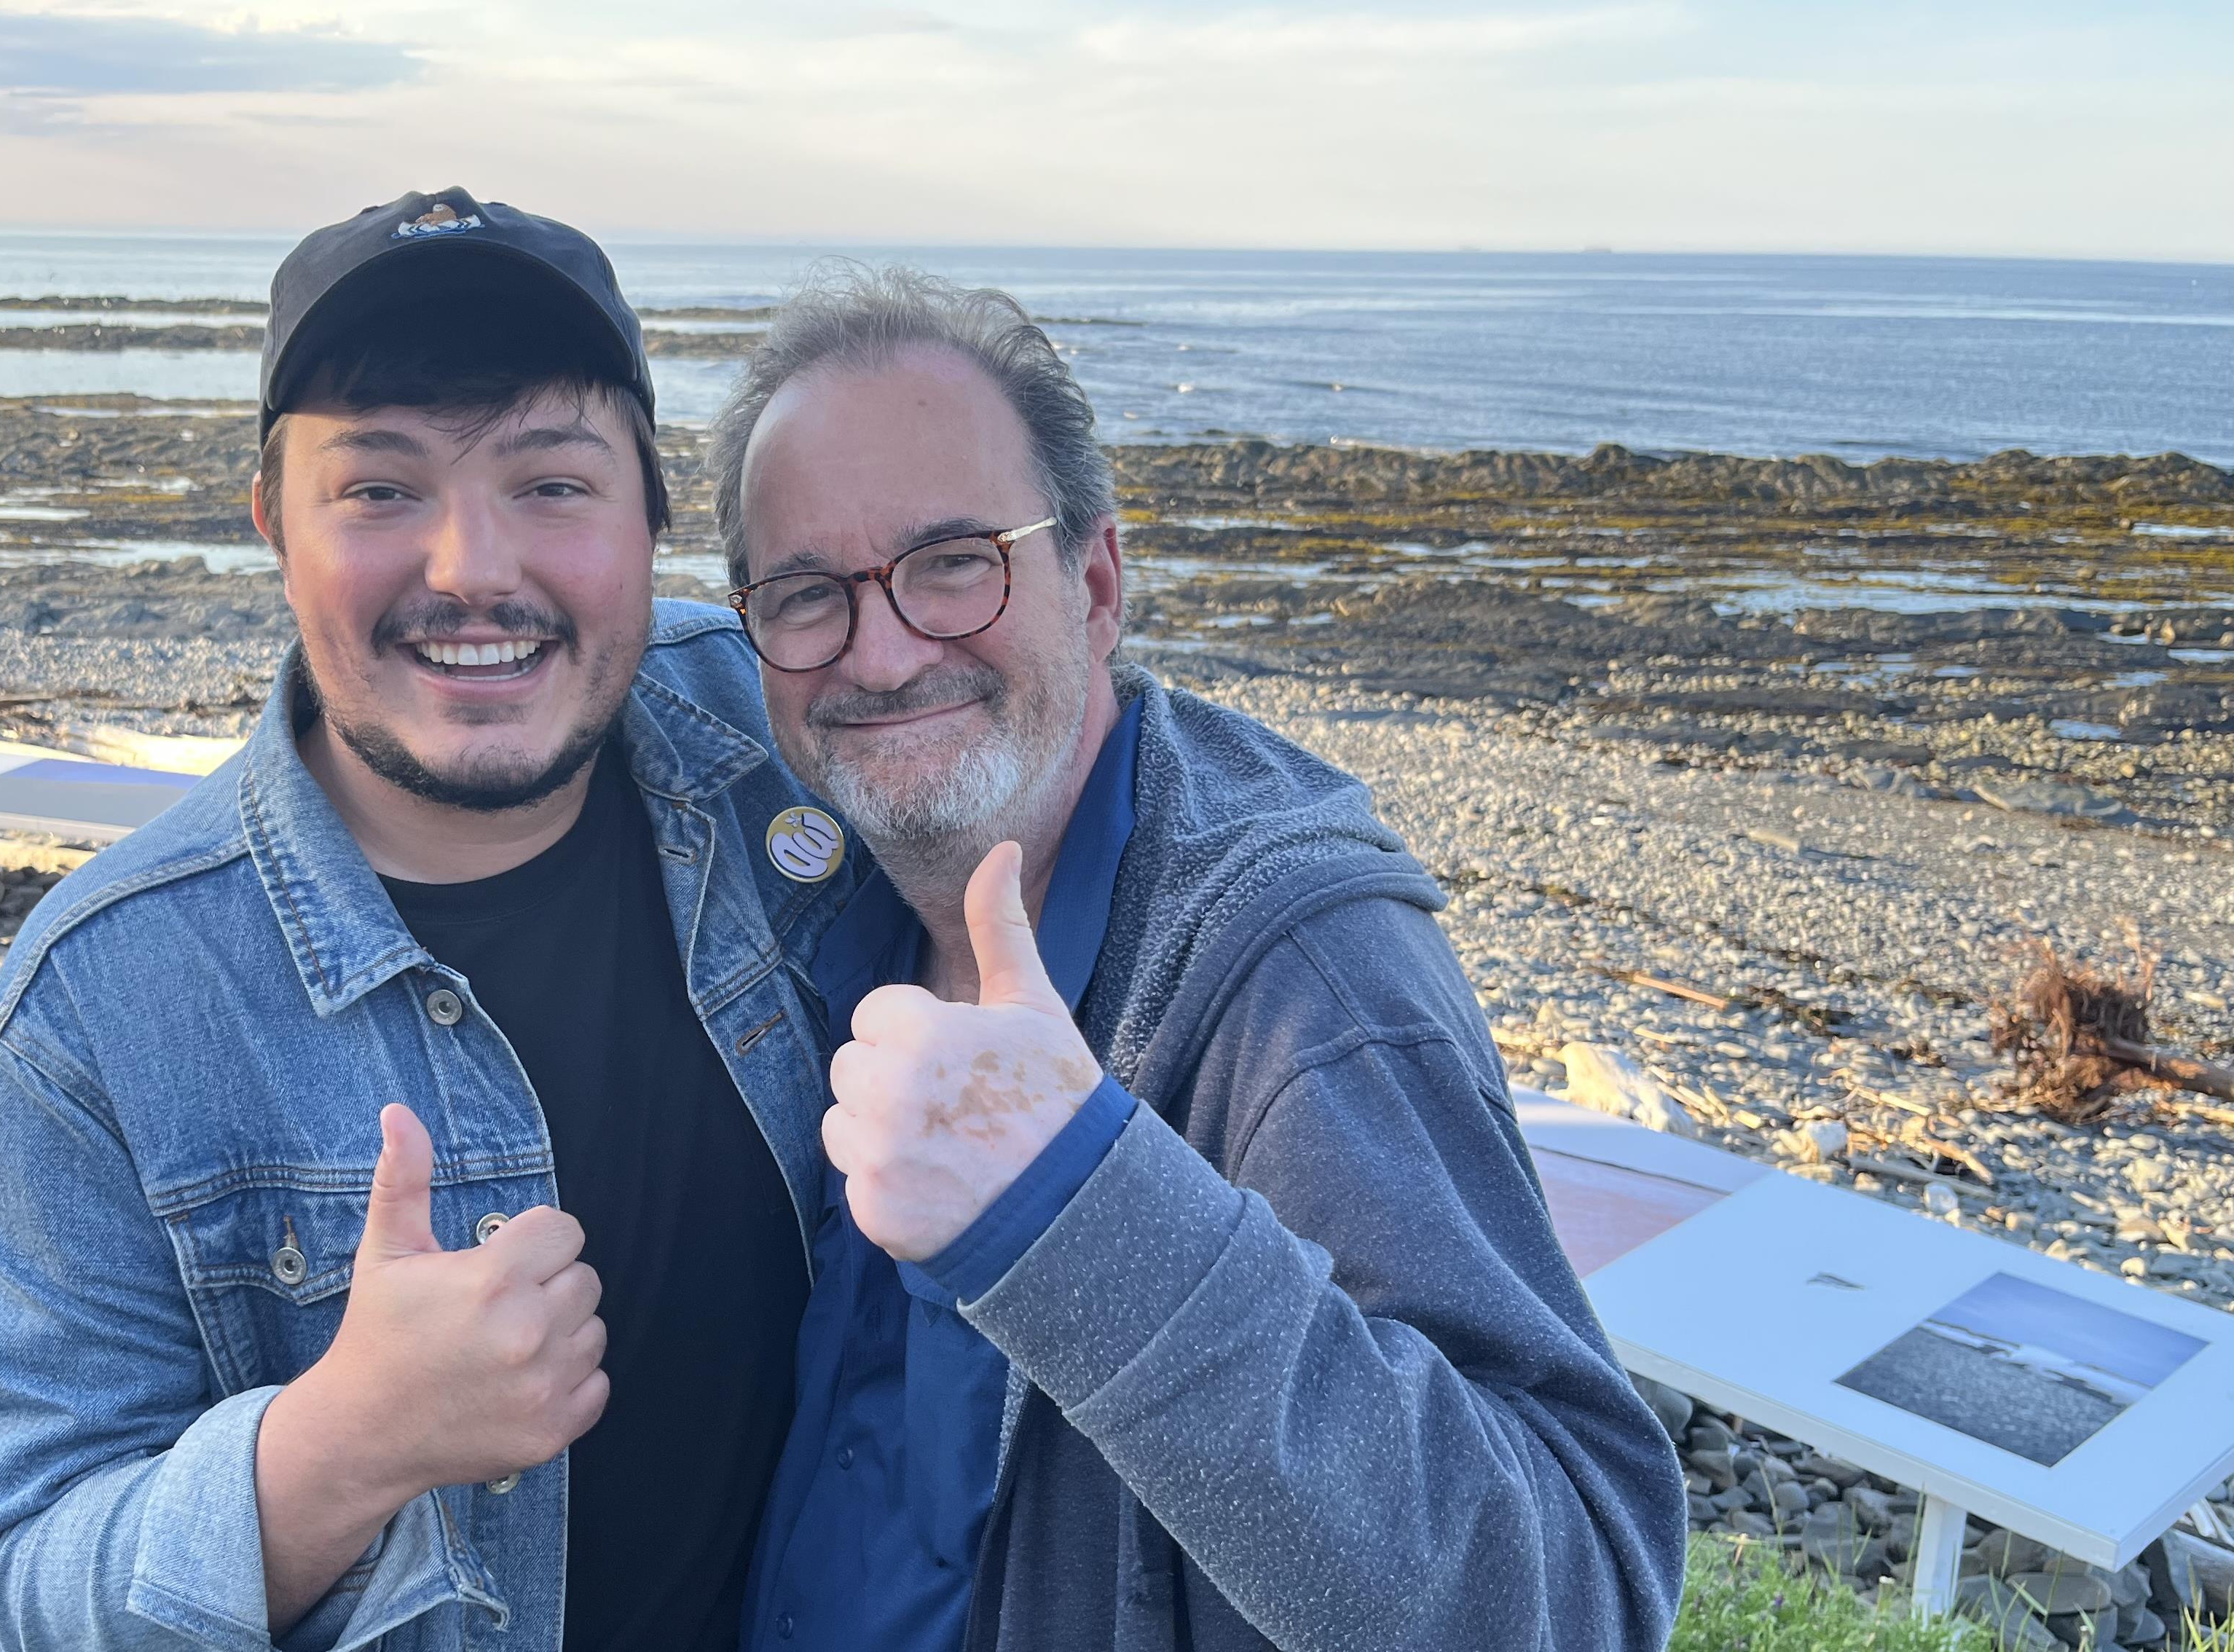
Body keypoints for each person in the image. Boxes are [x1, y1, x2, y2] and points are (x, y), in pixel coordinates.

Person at [711, 264, 1689, 1651]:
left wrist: (1078, 1212)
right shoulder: (802, 911)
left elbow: (1576, 1596)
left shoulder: (1299, 982)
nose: (877, 654)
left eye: (952, 564)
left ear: (1096, 581)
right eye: (808, 593)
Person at [0, 189, 855, 1652]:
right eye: (378, 490)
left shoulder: (789, 732)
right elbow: (24, 1580)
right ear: (274, 529)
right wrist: (338, 1450)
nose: (472, 569)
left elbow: (1078, 705)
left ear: (653, 519)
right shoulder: (101, 1011)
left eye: (552, 485)